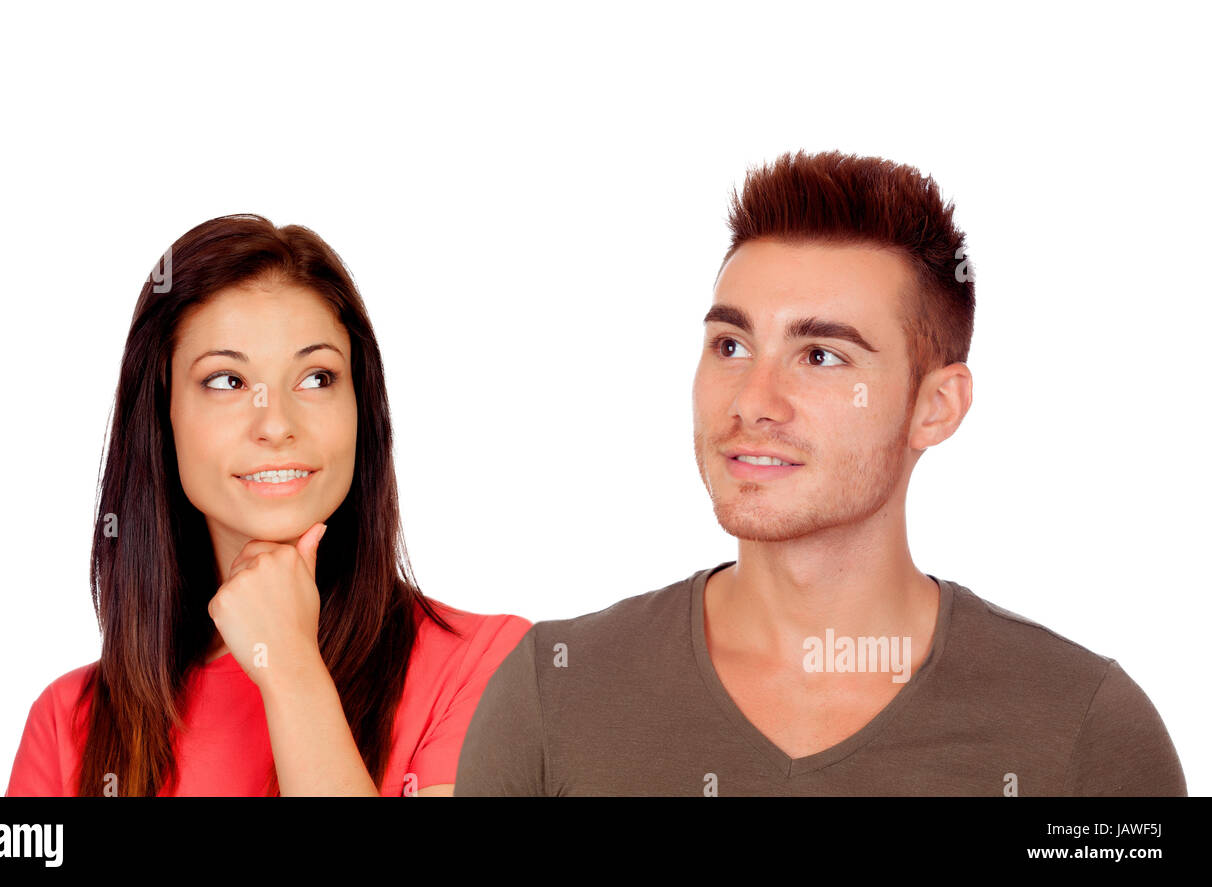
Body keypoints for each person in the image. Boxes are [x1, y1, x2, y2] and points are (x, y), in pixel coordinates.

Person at [455, 150, 1185, 796]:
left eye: (821, 357)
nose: (752, 402)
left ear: (935, 407)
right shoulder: (551, 695)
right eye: (732, 345)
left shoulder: (1084, 731)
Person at [6, 214, 530, 796]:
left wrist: (290, 669)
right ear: (162, 413)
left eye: (316, 377)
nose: (276, 423)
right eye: (227, 381)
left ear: (362, 405)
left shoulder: (491, 668)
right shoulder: (68, 727)